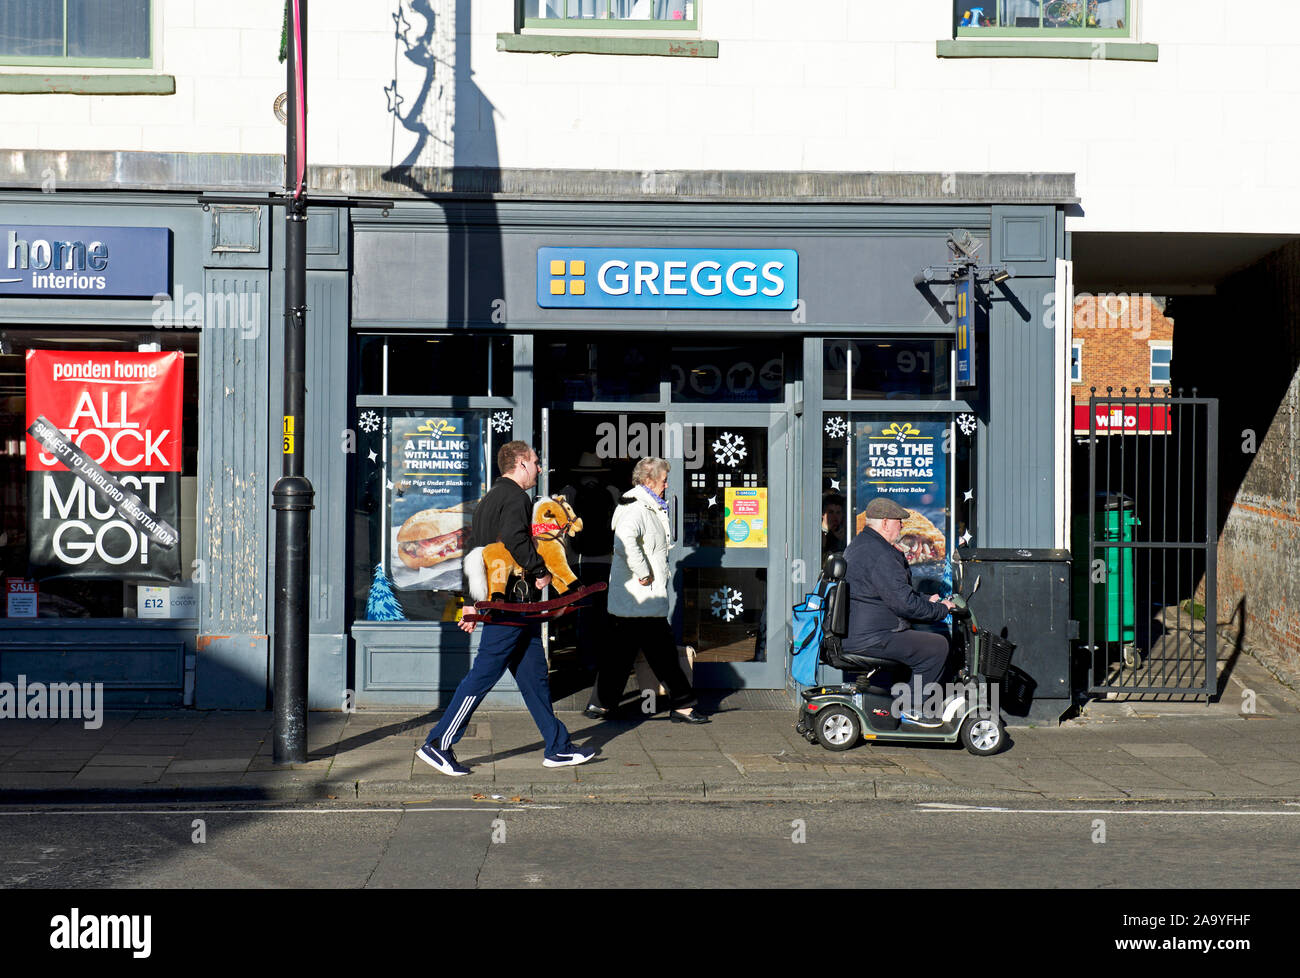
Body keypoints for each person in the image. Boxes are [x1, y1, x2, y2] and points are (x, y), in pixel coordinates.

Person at [417, 441, 596, 776]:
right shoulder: (516, 498)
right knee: (484, 674)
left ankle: (557, 746)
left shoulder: (489, 500)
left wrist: (472, 603)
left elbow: (474, 553)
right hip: (511, 606)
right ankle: (438, 743)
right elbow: (516, 540)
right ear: (520, 464)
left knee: (535, 677)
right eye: (536, 462)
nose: (540, 469)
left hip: (513, 609)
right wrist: (541, 571)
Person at [583, 457, 708, 724]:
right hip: (641, 595)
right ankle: (683, 705)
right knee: (661, 654)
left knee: (621, 654)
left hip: (636, 599)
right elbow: (626, 541)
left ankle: (601, 704)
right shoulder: (638, 508)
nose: (666, 485)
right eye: (663, 480)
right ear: (649, 481)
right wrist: (644, 573)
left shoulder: (646, 506)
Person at [842, 496, 955, 726]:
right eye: (898, 521)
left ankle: (902, 700)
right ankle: (912, 708)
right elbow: (903, 604)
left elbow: (889, 593)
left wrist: (927, 599)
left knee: (919, 641)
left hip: (861, 631)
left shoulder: (861, 545)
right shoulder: (881, 553)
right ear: (885, 523)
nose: (901, 526)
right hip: (872, 637)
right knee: (936, 646)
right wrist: (941, 610)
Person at [821, 491, 846, 559]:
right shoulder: (817, 534)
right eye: (831, 512)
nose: (835, 517)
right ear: (823, 514)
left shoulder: (846, 534)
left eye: (838, 513)